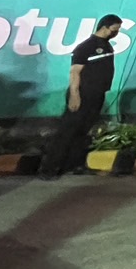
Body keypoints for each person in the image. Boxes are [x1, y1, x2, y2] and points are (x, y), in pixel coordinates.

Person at [39, 13, 122, 179]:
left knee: (83, 132)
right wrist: (75, 95)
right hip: (82, 94)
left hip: (97, 95)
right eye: (115, 29)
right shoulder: (86, 46)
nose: (116, 32)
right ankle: (49, 169)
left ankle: (75, 165)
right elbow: (75, 72)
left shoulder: (106, 46)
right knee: (67, 131)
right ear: (105, 27)